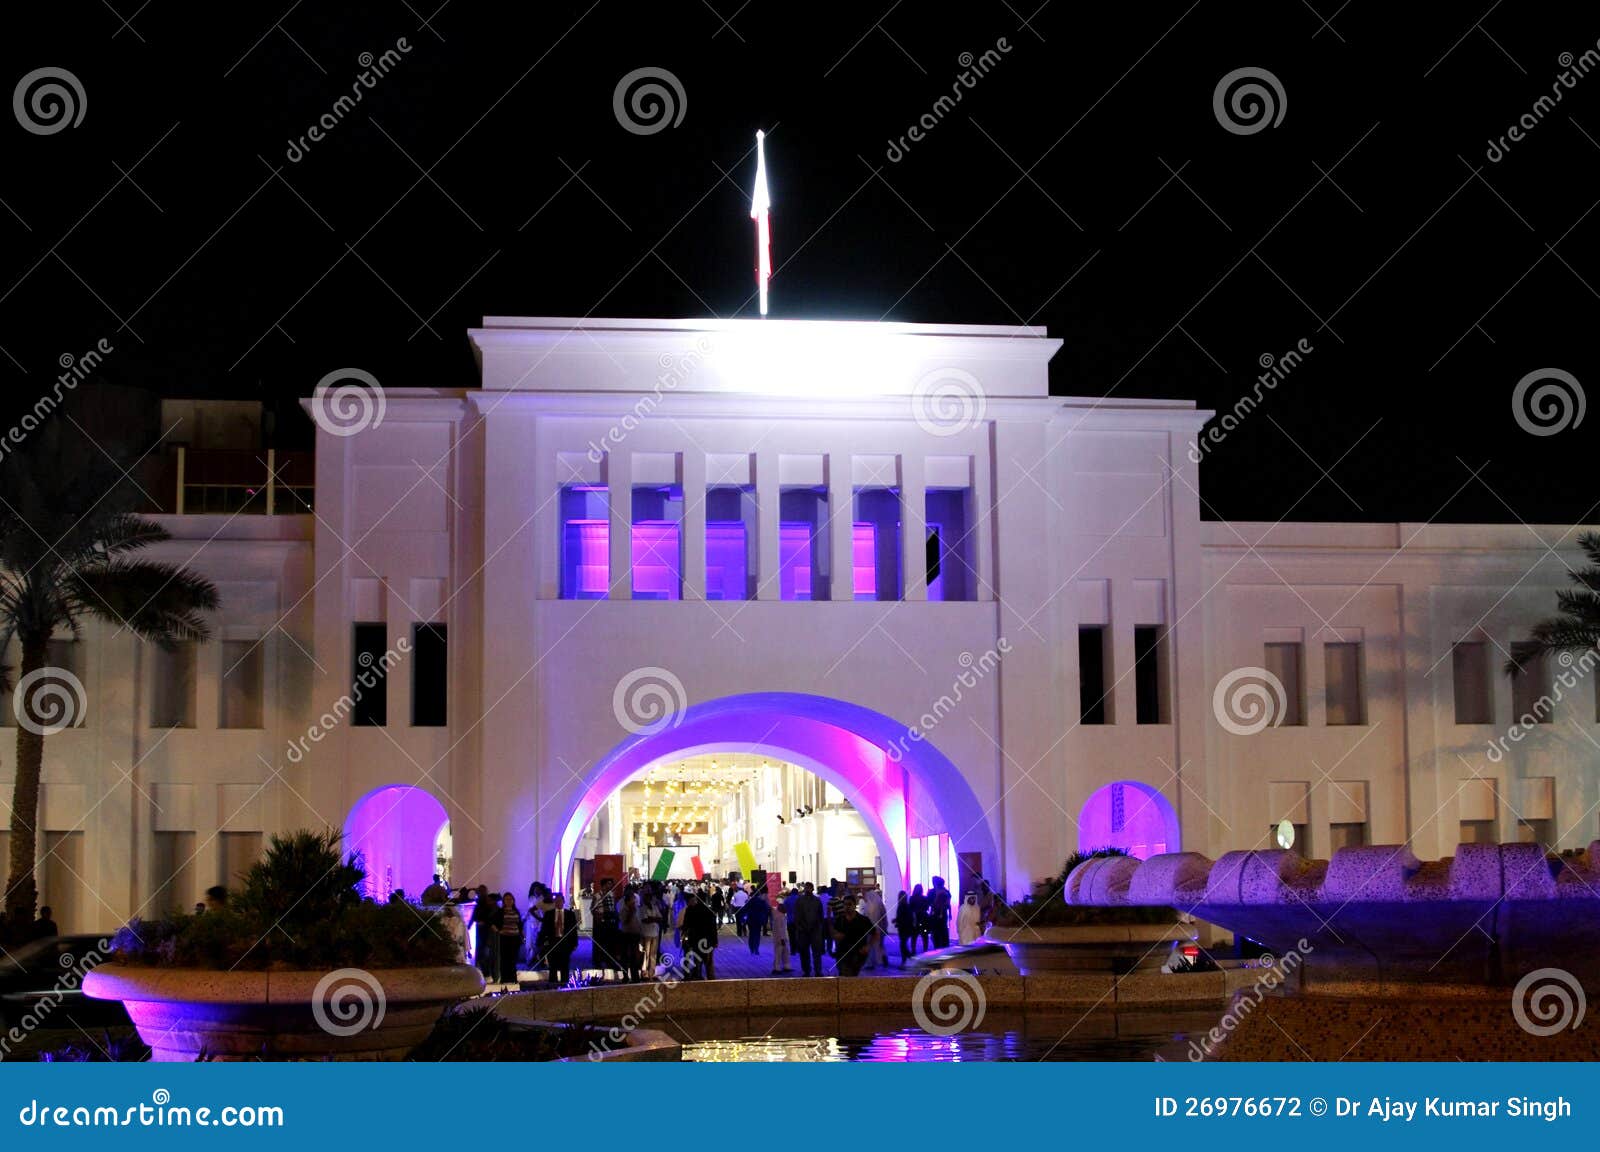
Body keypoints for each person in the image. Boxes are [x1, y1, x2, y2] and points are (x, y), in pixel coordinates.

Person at [538, 894, 580, 986]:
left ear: (563, 902)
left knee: (565, 966)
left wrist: (575, 943)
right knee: (553, 966)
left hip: (565, 943)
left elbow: (574, 930)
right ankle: (553, 986)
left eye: (560, 901)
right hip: (552, 943)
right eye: (556, 901)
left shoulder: (570, 914)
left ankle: (565, 985)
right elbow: (544, 929)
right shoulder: (549, 914)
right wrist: (541, 942)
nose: (558, 903)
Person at [678, 891, 718, 980]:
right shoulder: (709, 911)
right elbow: (713, 927)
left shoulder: (690, 909)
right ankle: (710, 977)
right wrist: (715, 941)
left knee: (696, 957)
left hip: (694, 938)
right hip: (707, 939)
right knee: (708, 960)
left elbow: (686, 924)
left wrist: (683, 933)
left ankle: (696, 974)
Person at [829, 900, 873, 976]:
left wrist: (868, 946)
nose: (847, 907)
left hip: (857, 954)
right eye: (845, 905)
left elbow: (875, 934)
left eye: (849, 904)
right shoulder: (840, 920)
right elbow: (833, 933)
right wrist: (836, 935)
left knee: (851, 975)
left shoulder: (863, 920)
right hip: (842, 953)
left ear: (854, 906)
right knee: (844, 974)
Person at [791, 882, 825, 976]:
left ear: (812, 889)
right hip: (803, 931)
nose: (807, 890)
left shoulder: (817, 900)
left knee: (816, 952)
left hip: (815, 930)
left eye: (809, 888)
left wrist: (819, 927)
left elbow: (820, 915)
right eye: (806, 888)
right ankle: (806, 970)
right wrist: (799, 927)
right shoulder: (799, 900)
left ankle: (818, 970)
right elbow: (796, 915)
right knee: (804, 952)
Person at [590, 879, 619, 980]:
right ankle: (598, 963)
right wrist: (599, 918)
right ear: (603, 885)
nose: (610, 886)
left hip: (610, 922)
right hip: (601, 922)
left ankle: (609, 962)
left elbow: (613, 907)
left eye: (611, 884)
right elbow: (592, 909)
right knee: (600, 943)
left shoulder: (611, 895)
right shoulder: (597, 896)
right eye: (608, 884)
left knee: (610, 943)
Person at [470, 887, 499, 980]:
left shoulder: (487, 903)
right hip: (482, 931)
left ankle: (487, 973)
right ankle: (486, 973)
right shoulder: (481, 903)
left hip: (488, 931)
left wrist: (482, 922)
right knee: (482, 952)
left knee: (485, 952)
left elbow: (491, 917)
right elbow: (475, 915)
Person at [639, 885, 666, 978]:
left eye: (650, 897)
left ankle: (651, 973)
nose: (649, 899)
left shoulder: (654, 907)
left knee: (653, 954)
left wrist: (652, 918)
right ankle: (644, 972)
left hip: (655, 933)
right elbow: (645, 920)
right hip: (646, 933)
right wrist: (655, 918)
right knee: (645, 954)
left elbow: (660, 917)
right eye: (647, 897)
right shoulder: (642, 908)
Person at [859, 885, 888, 970]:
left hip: (870, 928)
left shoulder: (868, 904)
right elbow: (884, 915)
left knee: (871, 945)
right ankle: (883, 957)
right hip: (879, 927)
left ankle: (871, 963)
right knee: (879, 944)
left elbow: (865, 916)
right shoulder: (878, 902)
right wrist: (885, 927)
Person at [618, 890, 644, 981]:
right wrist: (631, 912)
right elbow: (625, 921)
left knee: (634, 956)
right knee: (625, 956)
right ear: (628, 901)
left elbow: (638, 921)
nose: (634, 901)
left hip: (635, 934)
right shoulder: (623, 910)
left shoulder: (636, 909)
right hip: (626, 934)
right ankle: (625, 976)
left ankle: (635, 976)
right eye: (632, 899)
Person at [498, 893, 523, 984]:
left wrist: (521, 934)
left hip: (515, 938)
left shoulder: (516, 911)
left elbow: (519, 924)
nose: (509, 901)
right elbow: (492, 922)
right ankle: (505, 978)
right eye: (506, 899)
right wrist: (499, 931)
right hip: (505, 938)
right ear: (504, 901)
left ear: (513, 901)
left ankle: (513, 978)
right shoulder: (501, 911)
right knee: (505, 958)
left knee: (513, 959)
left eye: (510, 899)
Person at [742, 890, 771, 957]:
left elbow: (744, 909)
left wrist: (744, 918)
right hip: (758, 920)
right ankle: (756, 949)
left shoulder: (749, 901)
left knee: (751, 934)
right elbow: (766, 909)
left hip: (751, 920)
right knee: (757, 934)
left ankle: (751, 949)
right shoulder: (761, 901)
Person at [927, 877, 953, 949]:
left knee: (937, 931)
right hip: (941, 913)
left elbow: (929, 903)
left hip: (936, 913)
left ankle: (939, 946)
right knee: (942, 930)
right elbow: (948, 904)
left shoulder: (932, 892)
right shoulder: (945, 891)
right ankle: (943, 946)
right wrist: (950, 913)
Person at [893, 891, 917, 965]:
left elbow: (902, 917)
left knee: (903, 945)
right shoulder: (907, 906)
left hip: (903, 928)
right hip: (906, 928)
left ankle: (908, 959)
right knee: (903, 944)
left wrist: (896, 920)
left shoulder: (901, 906)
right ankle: (907, 959)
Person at [769, 892, 790, 973]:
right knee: (779, 952)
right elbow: (779, 929)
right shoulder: (779, 916)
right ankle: (777, 967)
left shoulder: (780, 915)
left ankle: (786, 965)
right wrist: (781, 939)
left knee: (785, 952)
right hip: (780, 938)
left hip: (783, 937)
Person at [908, 884, 929, 952]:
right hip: (924, 919)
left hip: (915, 919)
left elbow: (910, 908)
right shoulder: (924, 898)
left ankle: (913, 950)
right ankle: (925, 950)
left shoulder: (912, 898)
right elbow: (927, 908)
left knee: (914, 936)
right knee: (924, 935)